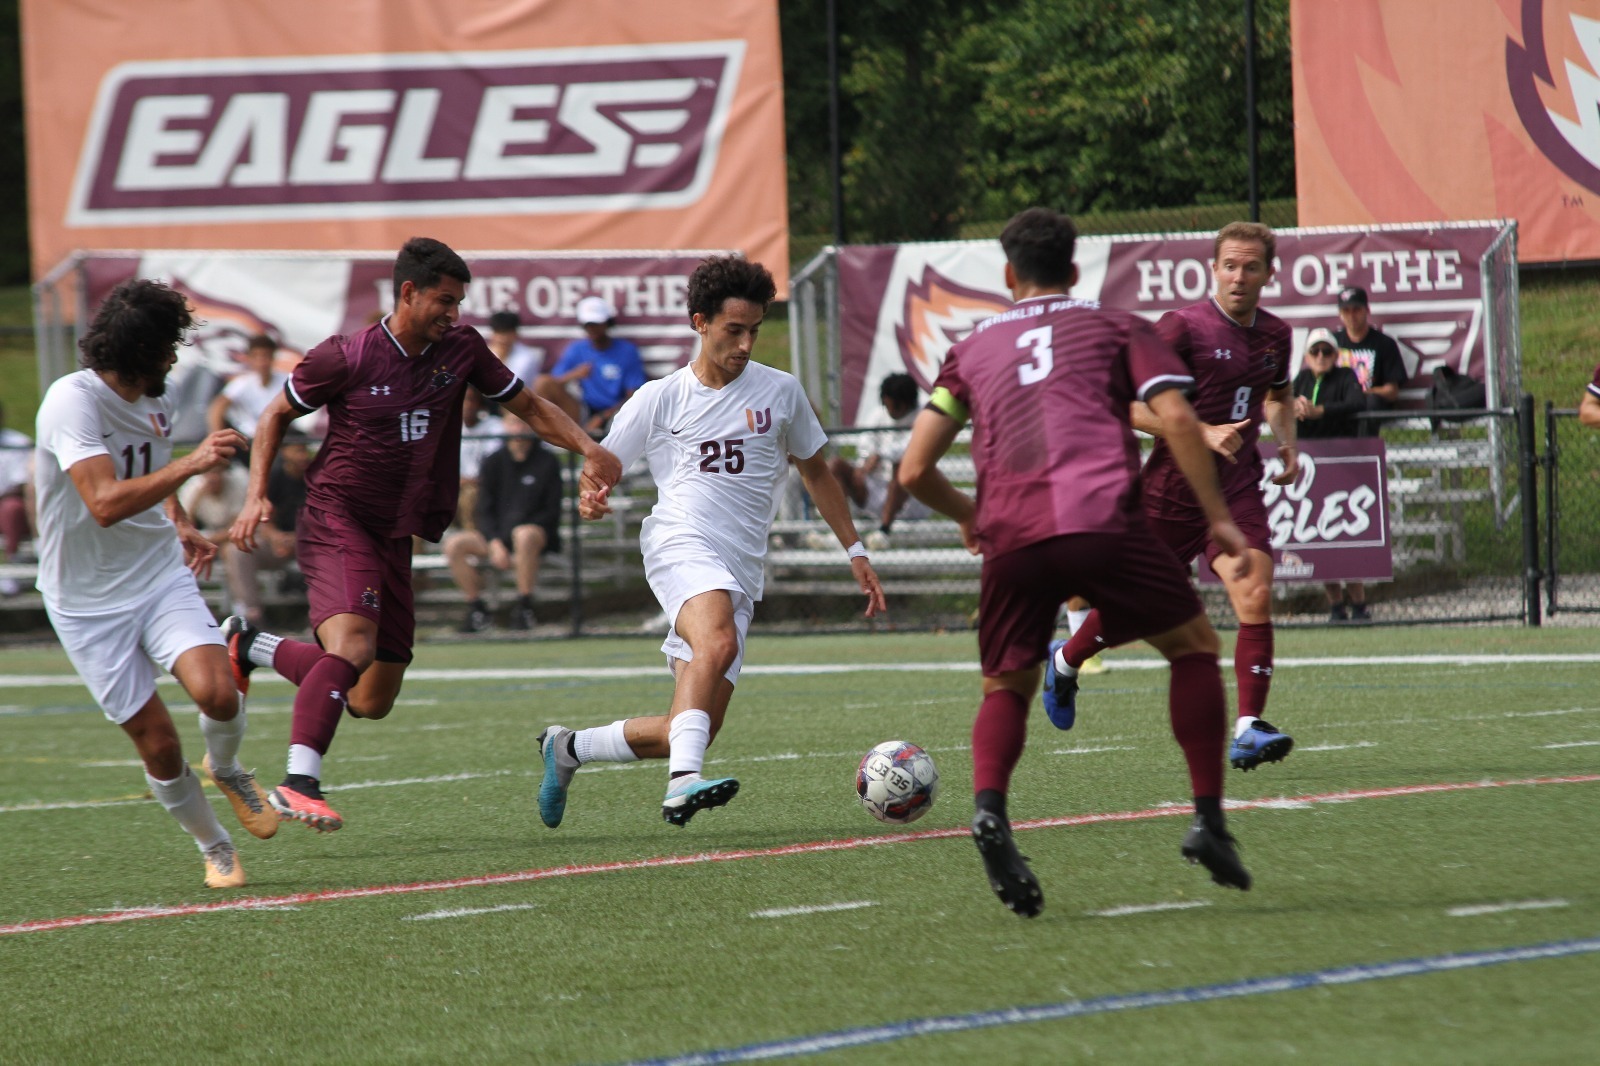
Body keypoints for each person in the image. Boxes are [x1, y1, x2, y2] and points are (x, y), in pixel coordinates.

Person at [897, 207, 1253, 917]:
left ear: (1009, 274)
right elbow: (1177, 418)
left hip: (1013, 537)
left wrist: (969, 515)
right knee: (1193, 646)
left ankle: (990, 810)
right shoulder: (1119, 328)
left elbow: (912, 471)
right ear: (1073, 268)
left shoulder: (971, 349)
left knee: (1005, 687)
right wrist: (1218, 516)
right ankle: (1209, 820)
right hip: (1105, 525)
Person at [225, 238, 623, 833]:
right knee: (353, 648)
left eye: (459, 302)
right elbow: (275, 414)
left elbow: (531, 407)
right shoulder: (345, 356)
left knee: (368, 699)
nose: (454, 314)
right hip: (338, 518)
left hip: (395, 534)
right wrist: (257, 493)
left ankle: (250, 645)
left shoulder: (462, 349)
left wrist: (590, 448)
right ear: (408, 292)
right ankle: (299, 781)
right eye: (445, 300)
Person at [538, 255, 886, 830]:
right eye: (734, 330)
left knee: (688, 726)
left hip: (741, 567)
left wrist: (856, 551)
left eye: (755, 330)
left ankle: (568, 748)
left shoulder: (782, 391)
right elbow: (600, 466)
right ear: (700, 322)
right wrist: (590, 496)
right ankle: (682, 785)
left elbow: (816, 472)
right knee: (716, 642)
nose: (746, 344)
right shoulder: (660, 398)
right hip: (680, 543)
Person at [33, 279, 277, 888]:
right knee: (161, 746)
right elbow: (104, 502)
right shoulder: (72, 403)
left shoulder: (152, 400)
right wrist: (194, 464)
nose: (174, 358)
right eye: (169, 347)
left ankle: (227, 768)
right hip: (86, 603)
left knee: (219, 694)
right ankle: (215, 846)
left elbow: (147, 471)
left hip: (156, 574)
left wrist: (180, 519)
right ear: (142, 351)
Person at [1055, 221, 1299, 773]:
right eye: (1229, 266)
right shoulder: (1182, 327)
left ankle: (1248, 727)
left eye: (1251, 267)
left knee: (1255, 592)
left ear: (1268, 274)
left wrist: (1287, 444)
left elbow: (1279, 396)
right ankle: (1066, 661)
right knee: (1133, 611)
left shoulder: (1277, 335)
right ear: (1213, 269)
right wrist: (1199, 431)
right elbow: (1126, 402)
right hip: (1171, 493)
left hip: (1236, 487)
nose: (1239, 277)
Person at [442, 414, 563, 632]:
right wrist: (495, 542)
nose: (519, 429)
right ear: (505, 425)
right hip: (496, 536)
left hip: (534, 536)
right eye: (514, 422)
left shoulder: (547, 461)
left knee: (524, 535)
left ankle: (525, 607)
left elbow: (551, 511)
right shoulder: (493, 461)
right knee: (454, 544)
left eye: (523, 422)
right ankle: (478, 610)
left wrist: (512, 536)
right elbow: (484, 509)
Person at [1293, 327, 1370, 622]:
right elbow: (1278, 403)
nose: (1321, 356)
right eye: (1315, 351)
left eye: (1326, 351)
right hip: (1311, 466)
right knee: (1321, 539)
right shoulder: (1301, 379)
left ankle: (1359, 604)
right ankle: (1336, 606)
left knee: (1346, 537)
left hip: (1343, 464)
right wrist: (1293, 407)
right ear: (1307, 355)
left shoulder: (1346, 377)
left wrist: (1320, 411)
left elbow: (1357, 403)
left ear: (1335, 355)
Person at [827, 372, 931, 550]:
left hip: (908, 496)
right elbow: (865, 442)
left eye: (894, 406)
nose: (889, 410)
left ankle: (884, 531)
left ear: (907, 402)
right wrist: (866, 462)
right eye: (886, 405)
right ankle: (843, 532)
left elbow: (911, 449)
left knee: (902, 465)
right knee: (835, 465)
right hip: (872, 487)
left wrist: (880, 455)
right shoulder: (878, 414)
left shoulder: (925, 416)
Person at [221, 434, 311, 625]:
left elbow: (326, 520)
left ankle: (323, 612)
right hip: (279, 542)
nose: (303, 456)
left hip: (312, 542)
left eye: (305, 450)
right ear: (285, 452)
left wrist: (297, 538)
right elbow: (264, 517)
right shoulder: (274, 477)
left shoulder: (317, 477)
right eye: (298, 450)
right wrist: (276, 537)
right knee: (237, 551)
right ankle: (251, 614)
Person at [535, 296, 649, 434]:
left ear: (607, 323)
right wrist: (574, 374)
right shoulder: (577, 349)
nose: (592, 329)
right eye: (588, 324)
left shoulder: (627, 351)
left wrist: (603, 417)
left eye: (596, 323)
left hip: (616, 411)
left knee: (624, 421)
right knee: (542, 382)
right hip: (583, 408)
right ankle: (550, 437)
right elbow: (553, 382)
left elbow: (634, 395)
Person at [1332, 285, 1407, 437]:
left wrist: (1363, 393)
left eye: (1356, 310)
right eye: (1346, 311)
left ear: (1367, 310)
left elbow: (1392, 391)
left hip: (1369, 404)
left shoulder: (1384, 343)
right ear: (1340, 314)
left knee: (1372, 401)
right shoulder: (1332, 343)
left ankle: (1365, 447)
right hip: (1340, 403)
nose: (1351, 315)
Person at [208, 334, 290, 449]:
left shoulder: (286, 380)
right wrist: (218, 439)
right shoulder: (242, 383)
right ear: (249, 358)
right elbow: (218, 407)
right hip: (248, 440)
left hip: (280, 436)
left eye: (266, 356)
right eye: (256, 356)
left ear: (273, 357)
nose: (261, 362)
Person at [0, 399, 35, 596]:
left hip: (11, 506)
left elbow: (21, 484)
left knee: (11, 508)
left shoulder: (18, 443)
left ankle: (12, 569)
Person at [486, 310, 544, 388]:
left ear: (515, 333)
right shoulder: (482, 353)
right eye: (499, 332)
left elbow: (512, 385)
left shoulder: (527, 357)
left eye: (507, 333)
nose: (502, 338)